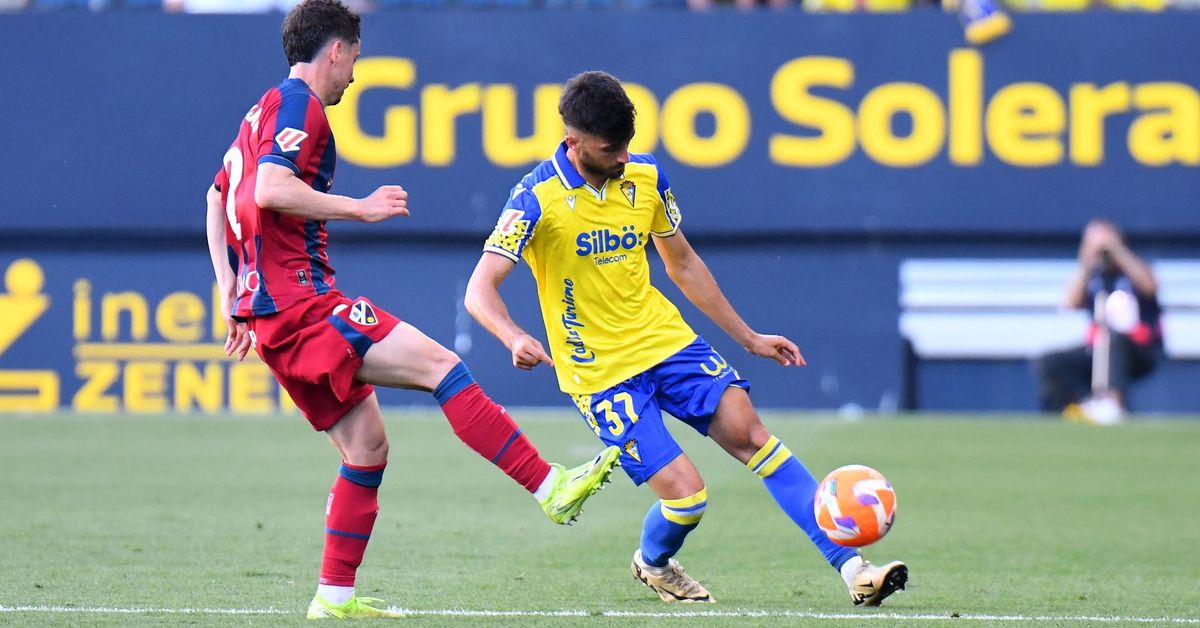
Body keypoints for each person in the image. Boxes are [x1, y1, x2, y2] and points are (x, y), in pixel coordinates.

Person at [205, 2, 620, 619]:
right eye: (355, 61)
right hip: (301, 305)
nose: (354, 76)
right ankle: (548, 485)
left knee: (367, 447)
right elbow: (268, 189)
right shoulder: (301, 105)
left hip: (272, 315)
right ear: (337, 50)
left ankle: (333, 597)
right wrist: (360, 206)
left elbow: (217, 196)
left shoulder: (261, 109)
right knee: (442, 366)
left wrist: (230, 290)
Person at [464, 70, 907, 607]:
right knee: (687, 498)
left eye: (628, 143)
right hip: (601, 374)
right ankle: (653, 563)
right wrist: (511, 335)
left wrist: (748, 336)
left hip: (666, 340)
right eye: (611, 148)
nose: (624, 156)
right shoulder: (535, 199)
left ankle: (854, 569)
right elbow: (479, 290)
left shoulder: (646, 176)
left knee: (753, 435)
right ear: (573, 140)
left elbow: (684, 264)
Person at [1036, 219, 1162, 423]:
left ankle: (1114, 405)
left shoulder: (1132, 269)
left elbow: (1150, 286)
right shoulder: (1093, 276)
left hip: (1139, 348)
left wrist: (1117, 251)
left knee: (1113, 339)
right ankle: (1073, 408)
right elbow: (1070, 302)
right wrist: (1087, 262)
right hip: (1098, 349)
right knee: (1050, 362)